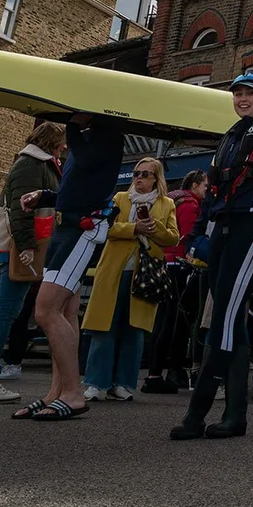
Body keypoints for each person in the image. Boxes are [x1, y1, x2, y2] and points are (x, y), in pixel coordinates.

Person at [169, 71, 253, 441]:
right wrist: (196, 236)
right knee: (230, 322)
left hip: (252, 229)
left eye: (250, 93)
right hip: (224, 229)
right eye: (238, 93)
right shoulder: (230, 136)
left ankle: (196, 414)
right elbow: (212, 194)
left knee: (223, 320)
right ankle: (235, 416)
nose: (242, 99)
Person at [14, 113, 125, 422]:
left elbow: (89, 164)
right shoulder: (90, 136)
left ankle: (73, 394)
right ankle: (57, 391)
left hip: (80, 231)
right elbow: (81, 185)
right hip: (66, 229)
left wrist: (73, 125)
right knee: (62, 312)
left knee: (45, 309)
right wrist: (44, 196)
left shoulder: (107, 135)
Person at [82, 157, 180, 401]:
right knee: (104, 327)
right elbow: (106, 228)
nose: (138, 178)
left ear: (156, 178)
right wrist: (134, 228)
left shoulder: (166, 203)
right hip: (113, 271)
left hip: (145, 274)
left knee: (134, 330)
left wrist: (152, 227)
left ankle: (123, 383)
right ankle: (96, 382)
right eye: (137, 173)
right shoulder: (120, 199)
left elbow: (173, 238)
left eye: (145, 174)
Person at [0, 121, 64, 405]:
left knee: (7, 311)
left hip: (19, 246)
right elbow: (22, 209)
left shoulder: (33, 162)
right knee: (7, 312)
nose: (65, 146)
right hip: (19, 247)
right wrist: (27, 246)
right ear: (52, 141)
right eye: (61, 141)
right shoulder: (33, 164)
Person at [143, 168, 208, 394]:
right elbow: (190, 239)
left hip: (163, 261)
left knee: (162, 320)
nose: (207, 191)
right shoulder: (191, 206)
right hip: (179, 266)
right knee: (175, 322)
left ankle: (154, 371)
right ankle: (168, 371)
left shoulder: (172, 200)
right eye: (205, 187)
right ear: (195, 185)